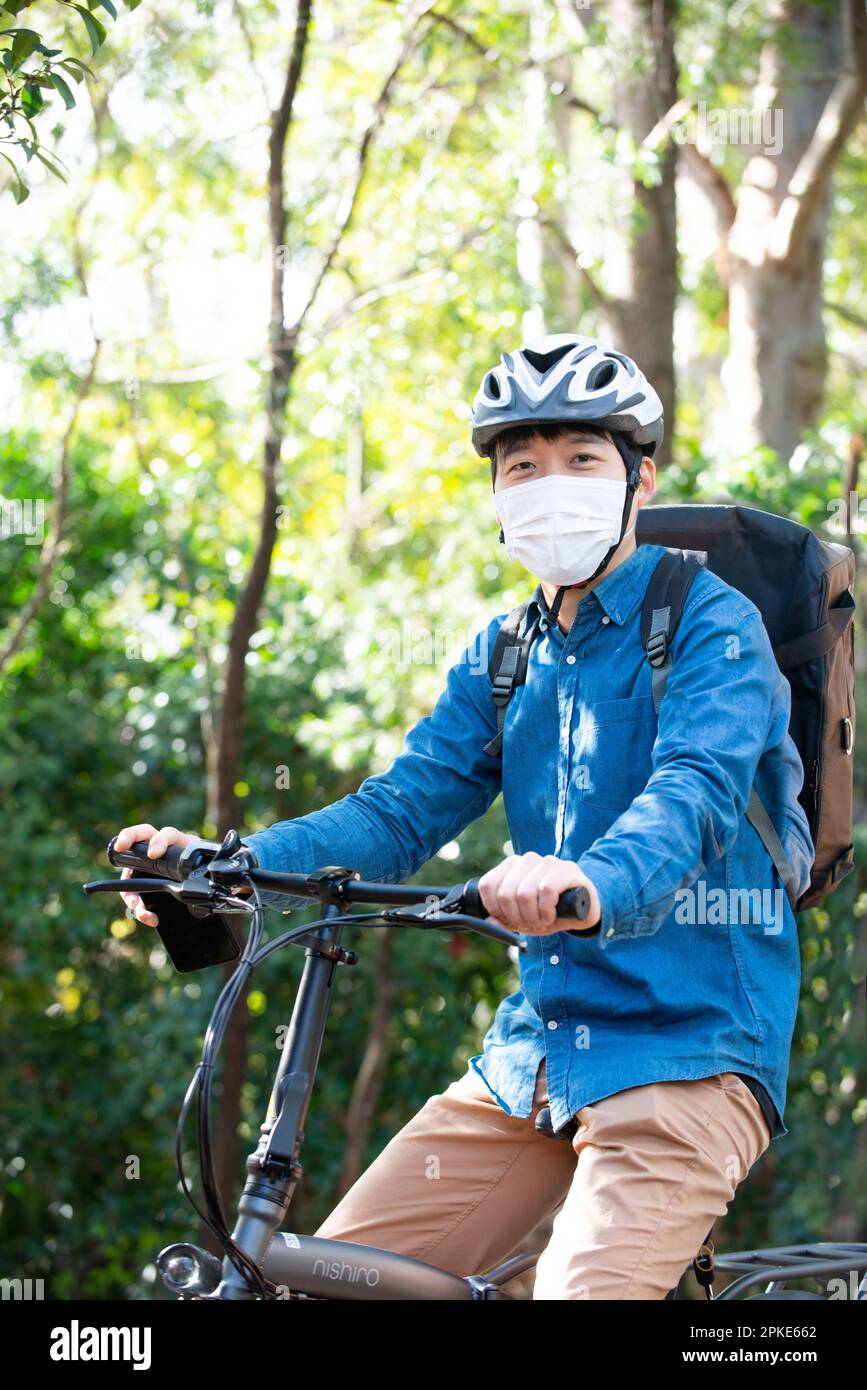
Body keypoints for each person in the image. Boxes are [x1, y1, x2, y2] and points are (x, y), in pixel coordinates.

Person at [115, 331, 815, 1299]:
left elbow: (691, 792)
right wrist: (227, 862)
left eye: (581, 459)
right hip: (536, 1059)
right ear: (496, 495)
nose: (549, 483)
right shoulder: (505, 655)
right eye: (523, 466)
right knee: (319, 1282)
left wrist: (588, 880)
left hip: (685, 1055)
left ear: (640, 478)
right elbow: (397, 811)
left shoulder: (709, 622)